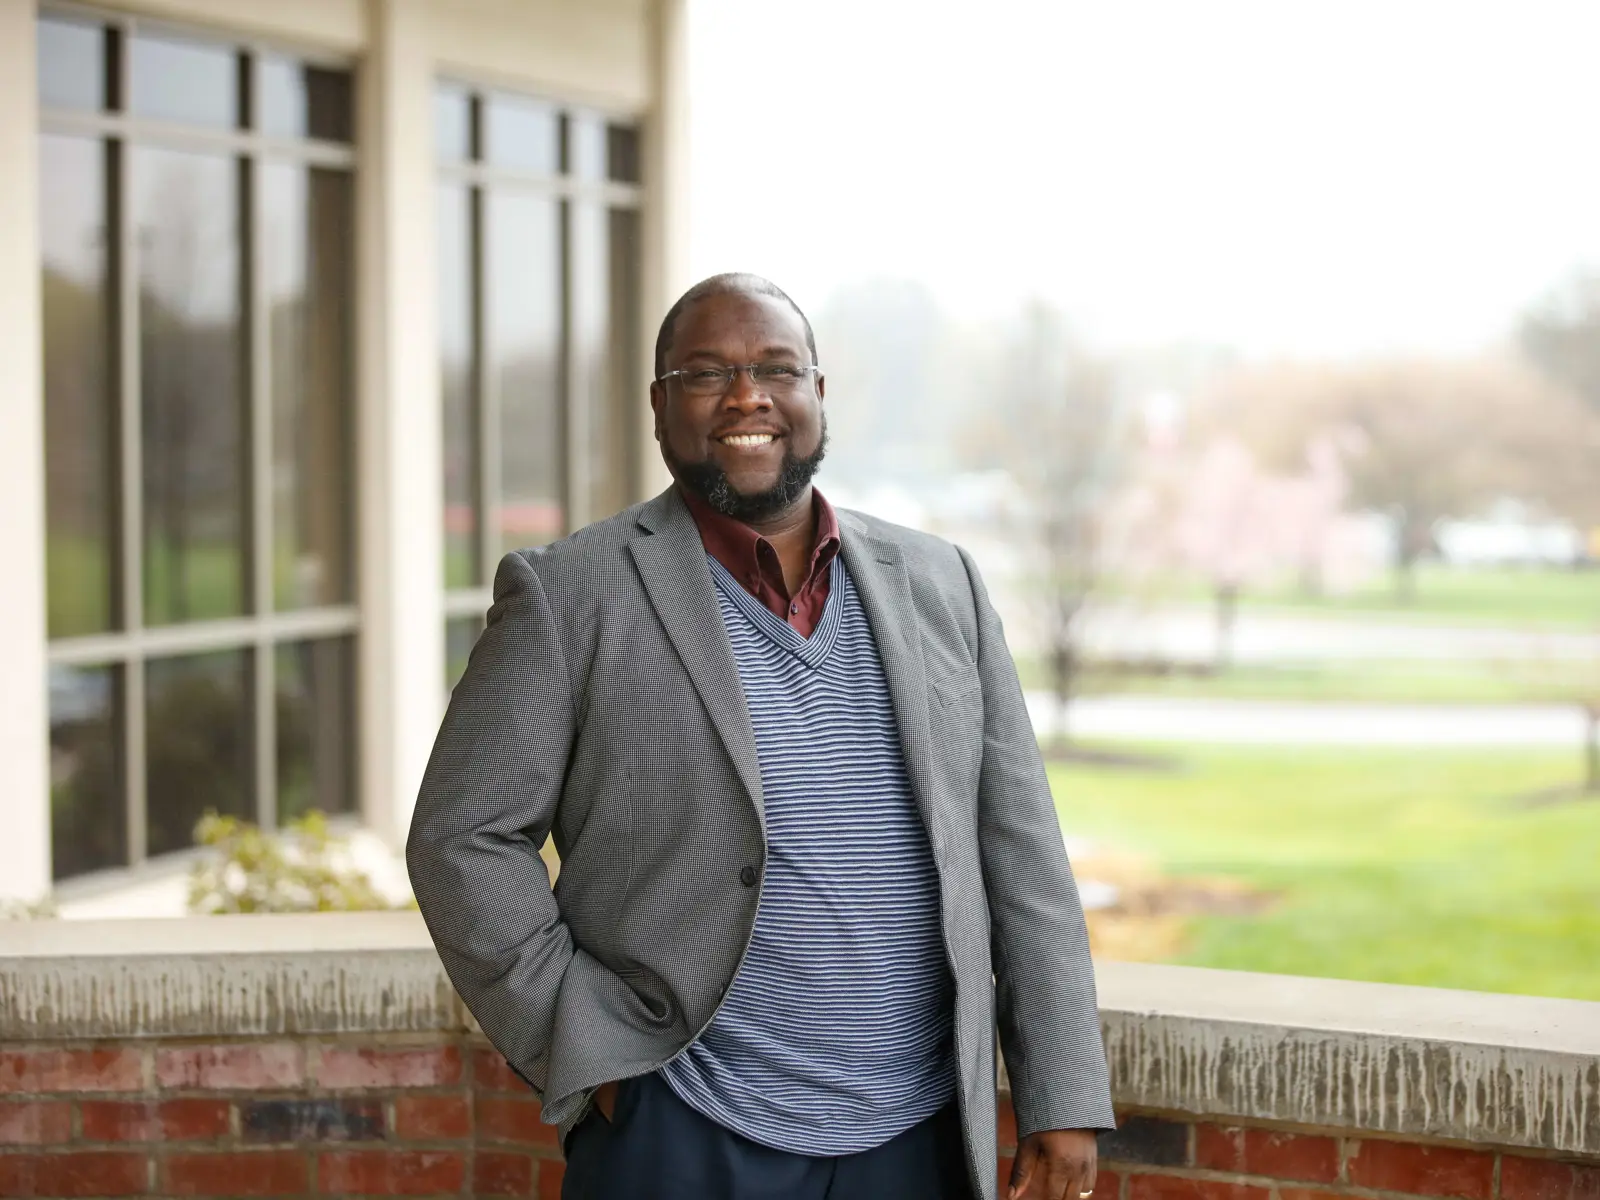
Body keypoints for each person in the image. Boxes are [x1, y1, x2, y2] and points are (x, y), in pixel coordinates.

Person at [407, 273, 1114, 1200]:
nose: (747, 396)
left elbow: (1022, 853)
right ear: (659, 406)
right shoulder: (570, 595)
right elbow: (462, 838)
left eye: (777, 369)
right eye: (707, 374)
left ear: (817, 394)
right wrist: (585, 1048)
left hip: (920, 1135)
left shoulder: (943, 584)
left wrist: (1063, 1091)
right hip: (681, 1129)